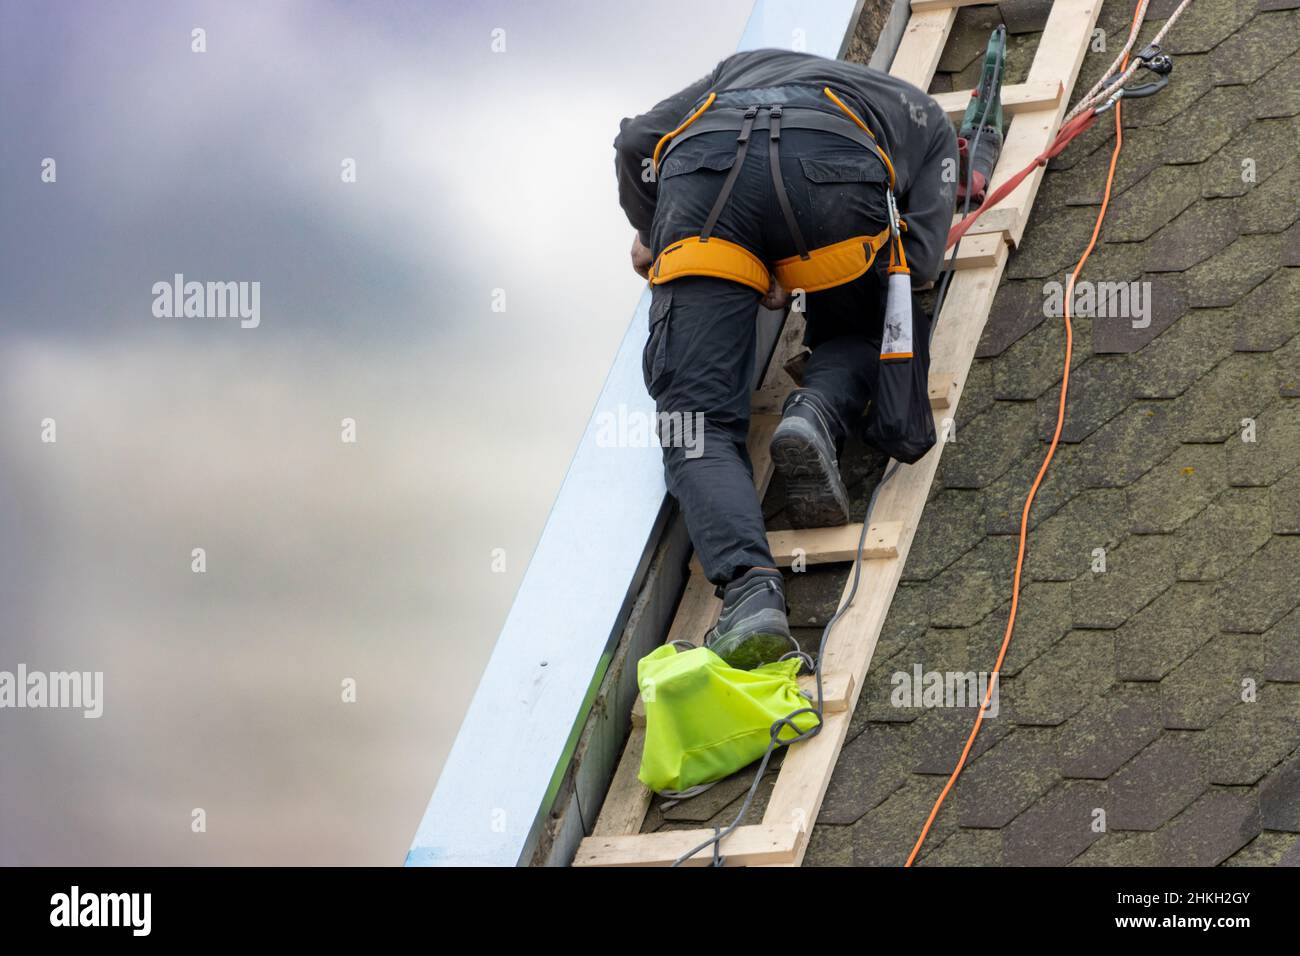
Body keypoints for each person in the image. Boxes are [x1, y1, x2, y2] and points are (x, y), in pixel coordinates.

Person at [614, 49, 957, 670]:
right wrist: (803, 267)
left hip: (704, 181)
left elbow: (637, 140)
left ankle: (750, 593)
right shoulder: (925, 118)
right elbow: (920, 266)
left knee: (696, 421)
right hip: (834, 177)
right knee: (872, 322)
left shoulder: (738, 68)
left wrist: (652, 231)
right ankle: (818, 410)